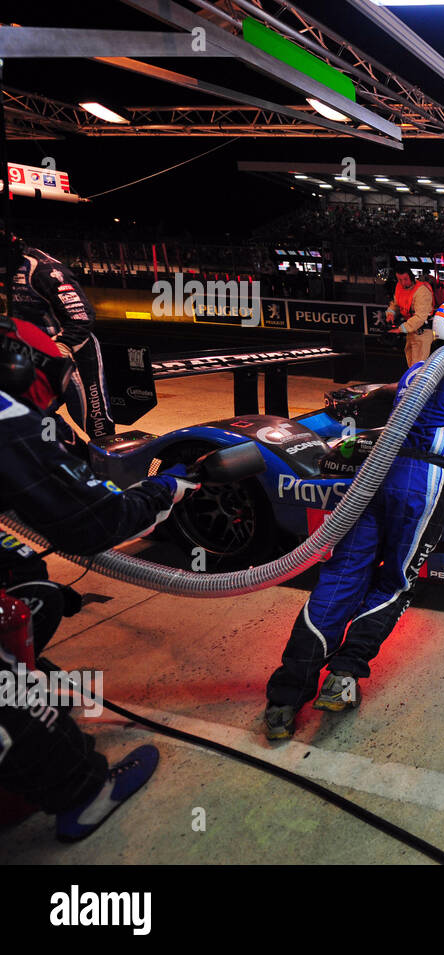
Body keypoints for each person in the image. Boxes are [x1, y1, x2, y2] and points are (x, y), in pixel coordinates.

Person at [264, 300, 444, 739]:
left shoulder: (416, 371)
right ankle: (344, 674)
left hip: (378, 473)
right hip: (422, 482)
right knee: (396, 579)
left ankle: (283, 698)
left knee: (340, 576)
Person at [0, 314, 198, 841]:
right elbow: (92, 523)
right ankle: (82, 792)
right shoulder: (7, 416)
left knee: (32, 590)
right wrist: (165, 491)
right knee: (7, 681)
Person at [8, 239, 115, 440]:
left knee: (96, 425)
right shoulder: (9, 267)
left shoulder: (43, 270)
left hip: (74, 353)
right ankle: (62, 454)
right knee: (39, 415)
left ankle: (107, 467)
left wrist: (58, 351)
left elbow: (81, 318)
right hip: (34, 356)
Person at [385, 264, 436, 367]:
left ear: (411, 277)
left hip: (423, 331)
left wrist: (400, 329)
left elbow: (420, 317)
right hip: (411, 330)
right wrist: (391, 313)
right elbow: (396, 303)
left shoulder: (422, 291)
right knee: (411, 365)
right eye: (400, 280)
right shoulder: (399, 287)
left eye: (405, 279)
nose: (403, 283)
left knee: (417, 368)